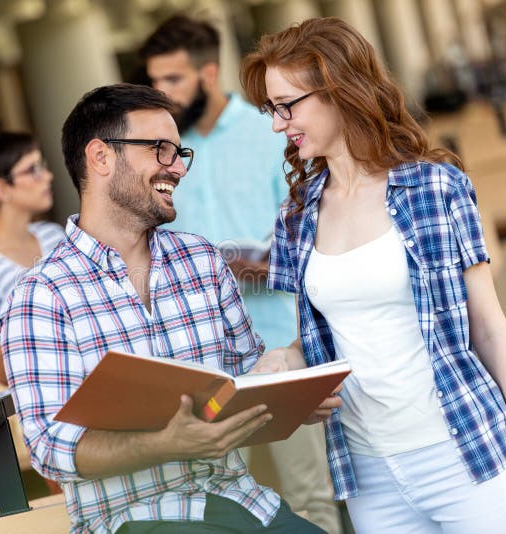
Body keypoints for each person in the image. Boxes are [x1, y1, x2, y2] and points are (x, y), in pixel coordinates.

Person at [241, 17, 506, 533]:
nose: (279, 124)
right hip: (369, 473)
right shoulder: (297, 215)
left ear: (339, 91)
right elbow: (322, 341)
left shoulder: (435, 186)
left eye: (287, 106)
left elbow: (488, 325)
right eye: (272, 110)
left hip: (464, 453)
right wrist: (284, 364)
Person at [0, 83, 327, 533]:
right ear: (100, 158)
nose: (177, 168)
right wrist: (166, 444)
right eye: (160, 150)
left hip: (242, 506)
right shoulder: (40, 296)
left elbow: (246, 379)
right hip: (134, 521)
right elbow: (52, 449)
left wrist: (290, 396)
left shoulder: (202, 261)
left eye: (179, 153)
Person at [140, 16, 341, 534]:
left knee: (309, 499)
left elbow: (315, 245)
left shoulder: (273, 134)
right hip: (199, 365)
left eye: (173, 79)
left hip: (280, 353)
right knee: (219, 512)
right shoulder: (164, 154)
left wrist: (239, 268)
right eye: (155, 81)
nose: (162, 93)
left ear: (209, 72)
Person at [0, 131, 64, 386]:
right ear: (1, 189)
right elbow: (0, 369)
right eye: (33, 170)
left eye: (43, 166)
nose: (48, 176)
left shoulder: (55, 236)